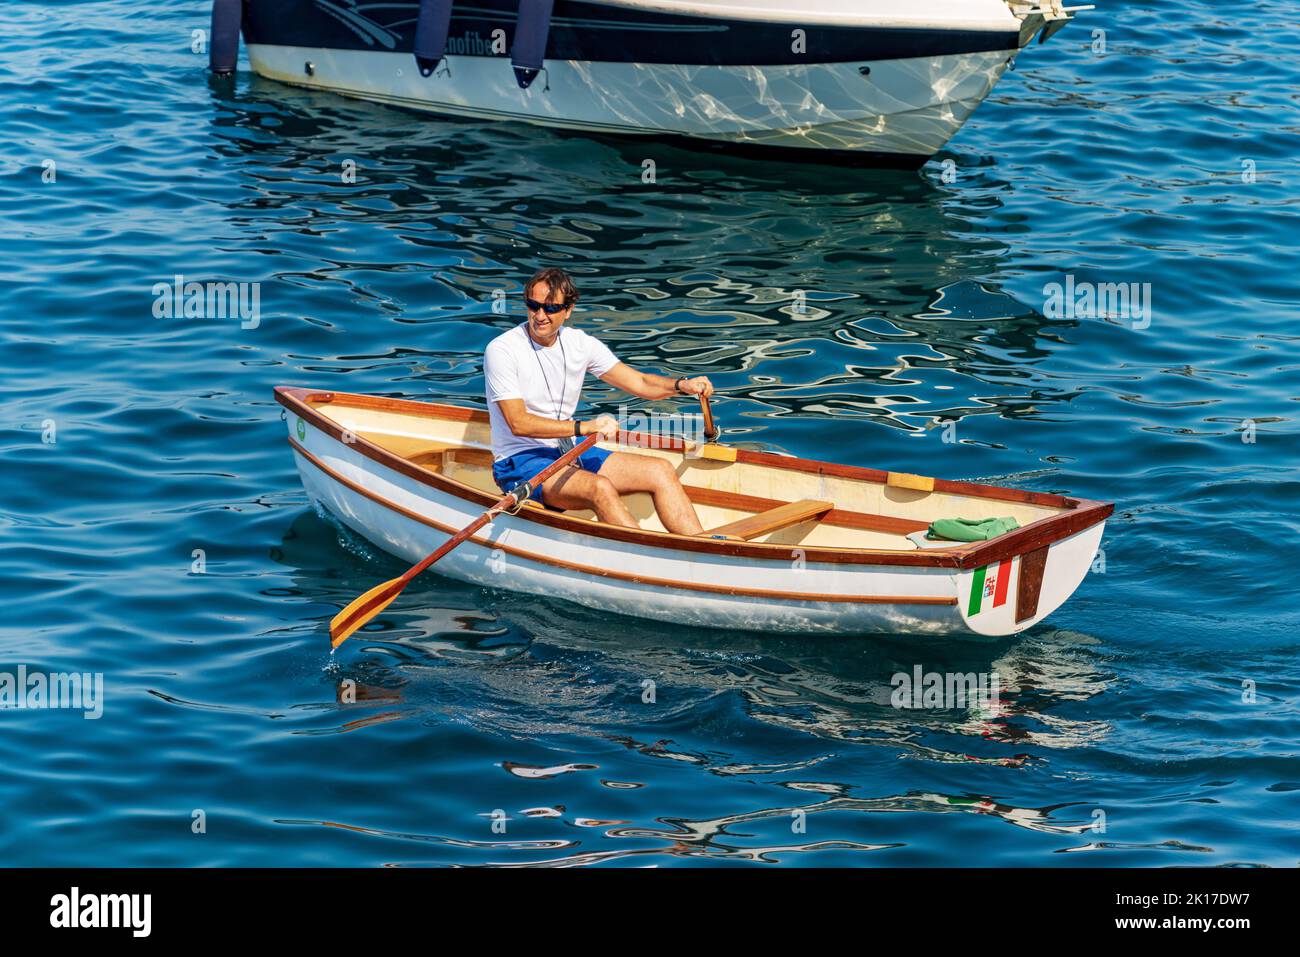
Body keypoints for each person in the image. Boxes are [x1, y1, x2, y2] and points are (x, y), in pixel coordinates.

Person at [484, 267, 713, 534]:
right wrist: (585, 427)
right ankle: (643, 564)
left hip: (568, 448)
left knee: (660, 470)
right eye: (533, 306)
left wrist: (681, 385)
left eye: (550, 308)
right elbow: (519, 423)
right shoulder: (502, 350)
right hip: (520, 460)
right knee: (599, 487)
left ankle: (703, 552)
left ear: (568, 310)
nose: (540, 315)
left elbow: (639, 382)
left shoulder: (581, 344)